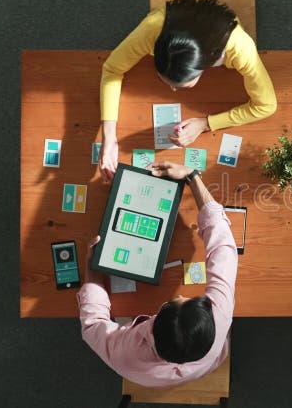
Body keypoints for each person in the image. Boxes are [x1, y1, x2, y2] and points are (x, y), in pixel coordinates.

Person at [78, 161, 238, 387]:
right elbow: (223, 247)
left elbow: (93, 323)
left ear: (154, 322)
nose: (182, 296)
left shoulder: (125, 354)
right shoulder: (218, 318)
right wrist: (191, 176)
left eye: (176, 301)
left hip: (148, 371)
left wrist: (92, 264)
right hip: (206, 364)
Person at [99, 0, 277, 181]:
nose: (172, 91)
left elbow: (267, 105)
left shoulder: (240, 48)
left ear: (203, 67)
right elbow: (111, 69)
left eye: (182, 86)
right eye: (163, 81)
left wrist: (206, 123)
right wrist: (109, 136)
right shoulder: (151, 29)